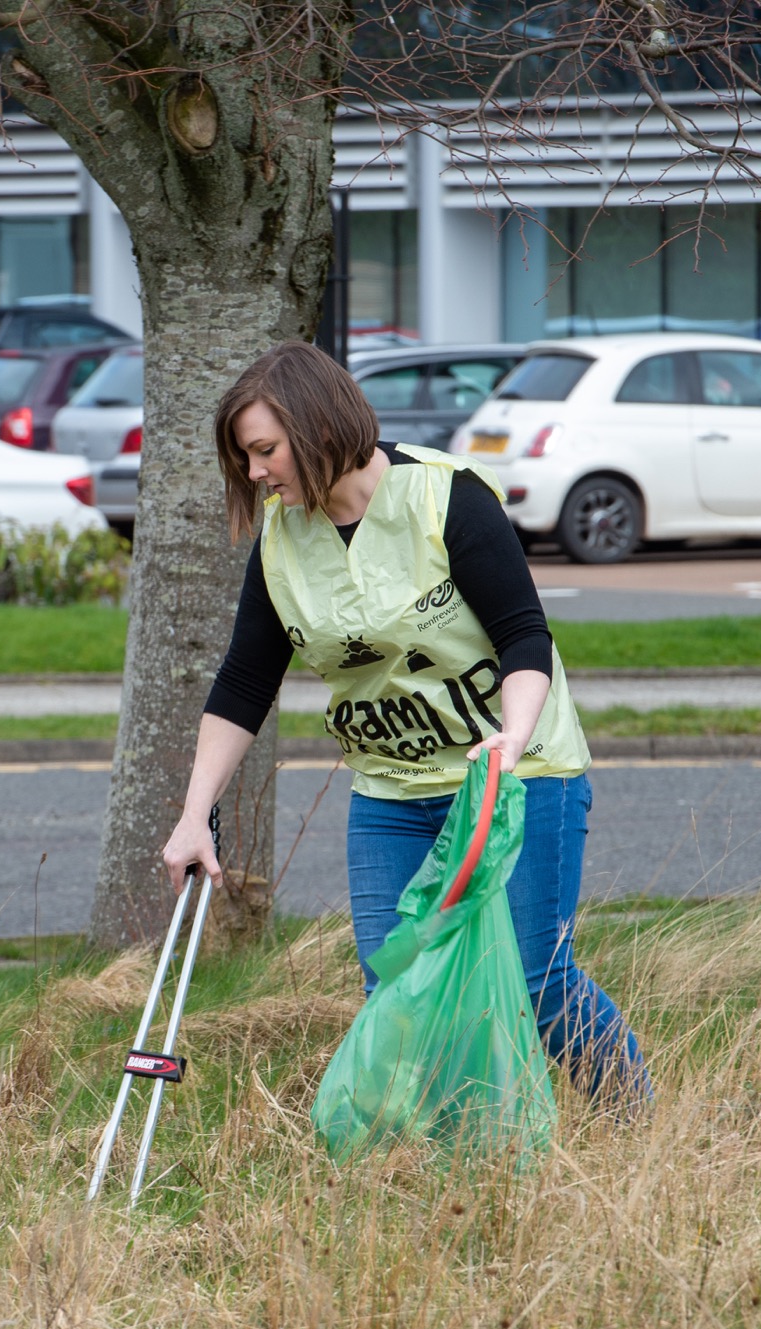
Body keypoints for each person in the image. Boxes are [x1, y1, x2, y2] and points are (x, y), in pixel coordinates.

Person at [162, 340, 650, 1106]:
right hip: (390, 796)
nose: (255, 474)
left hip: (515, 776)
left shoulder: (445, 498)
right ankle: (438, 1163)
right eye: (246, 458)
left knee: (531, 979)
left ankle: (633, 1121)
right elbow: (244, 682)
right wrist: (196, 815)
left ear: (318, 426)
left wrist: (512, 738)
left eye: (264, 451)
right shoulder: (281, 540)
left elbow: (526, 634)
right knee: (398, 991)